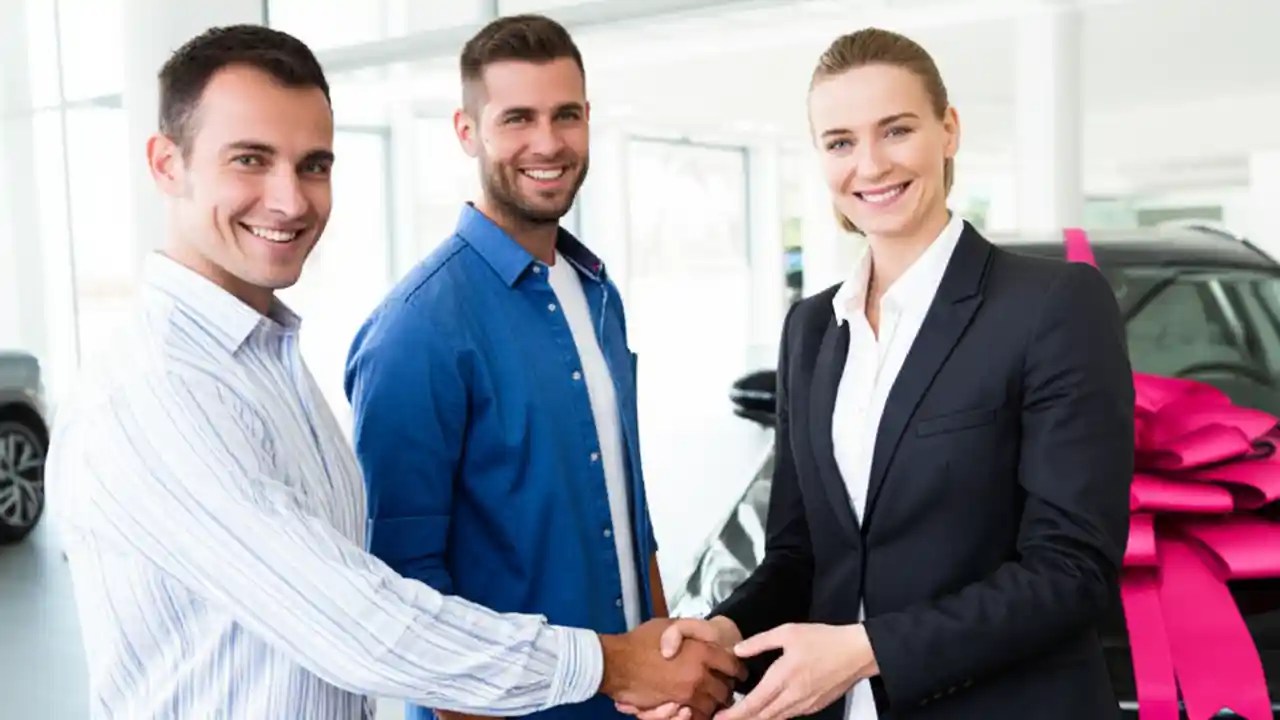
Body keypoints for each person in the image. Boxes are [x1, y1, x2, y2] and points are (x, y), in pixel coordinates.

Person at [44, 24, 743, 720]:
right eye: (250, 160)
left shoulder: (269, 366)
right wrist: (616, 663)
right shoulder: (156, 391)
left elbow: (624, 511)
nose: (289, 200)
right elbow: (366, 617)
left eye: (314, 165)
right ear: (167, 164)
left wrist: (656, 661)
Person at [623, 27, 1135, 720]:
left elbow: (1072, 571)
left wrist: (868, 649)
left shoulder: (1053, 305)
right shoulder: (811, 329)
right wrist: (725, 632)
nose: (869, 165)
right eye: (840, 142)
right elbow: (800, 557)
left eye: (895, 131)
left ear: (947, 131)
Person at [344, 14, 667, 720]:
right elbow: (408, 592)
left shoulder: (599, 294)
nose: (547, 143)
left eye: (566, 115)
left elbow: (630, 515)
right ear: (468, 131)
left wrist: (667, 669)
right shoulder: (415, 329)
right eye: (517, 118)